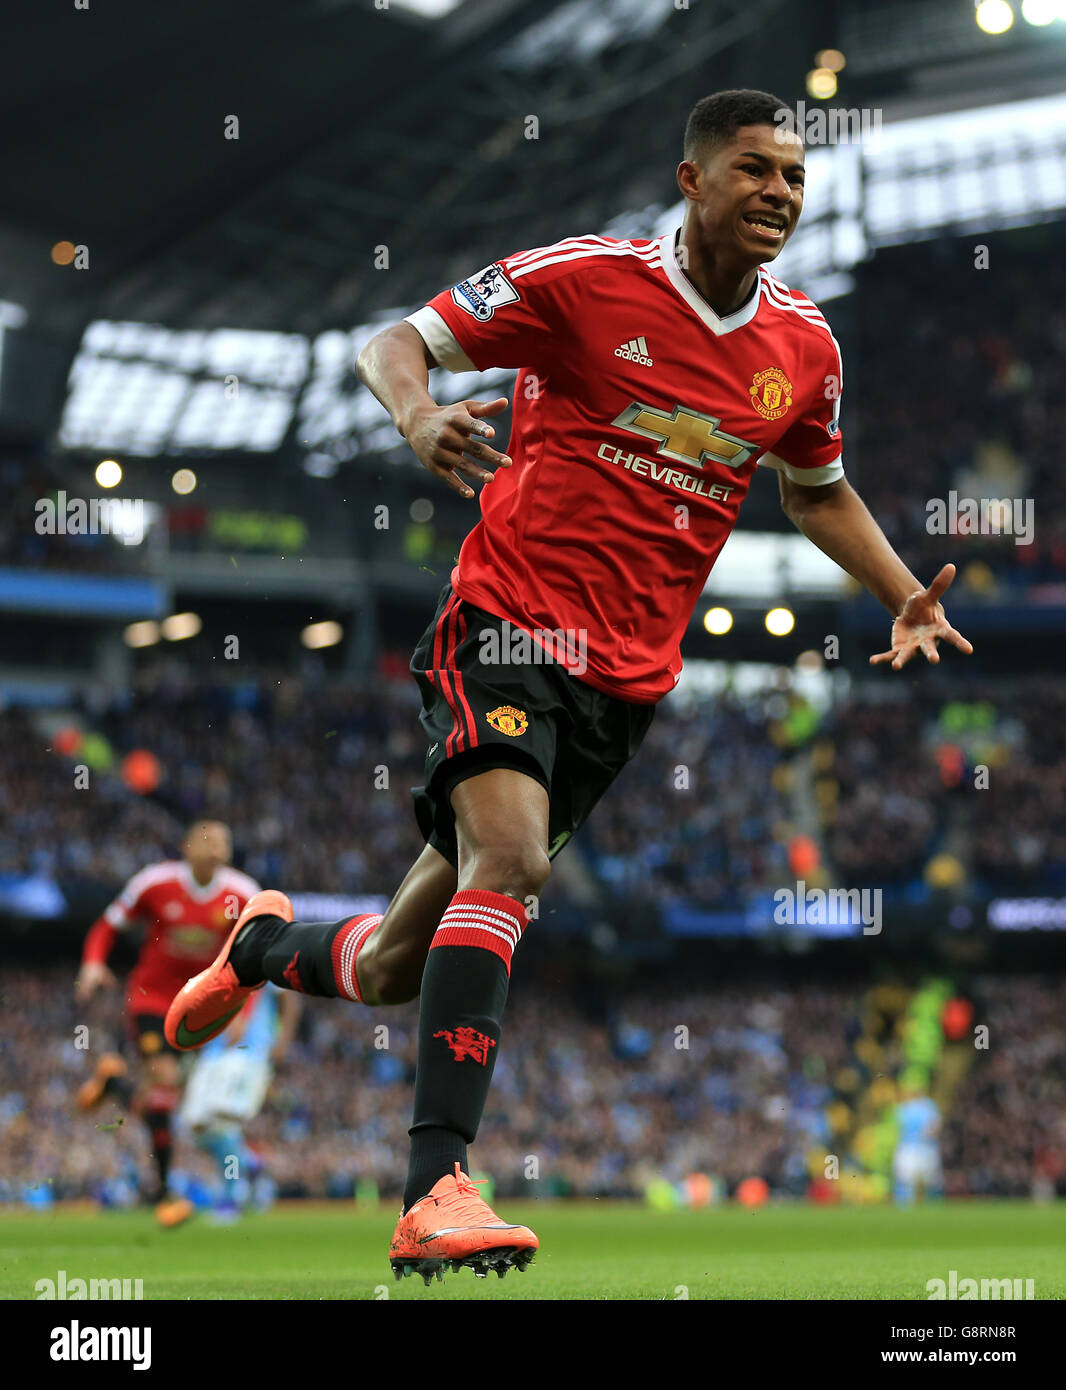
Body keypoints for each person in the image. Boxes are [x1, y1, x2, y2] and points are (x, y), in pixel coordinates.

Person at [165, 89, 972, 1284]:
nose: (780, 195)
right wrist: (417, 414)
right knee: (513, 860)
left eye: (795, 178)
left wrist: (903, 588)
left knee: (391, 965)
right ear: (691, 181)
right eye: (754, 169)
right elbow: (393, 340)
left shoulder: (804, 347)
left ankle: (265, 943)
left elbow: (812, 489)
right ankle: (434, 1183)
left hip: (627, 682)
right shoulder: (581, 280)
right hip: (505, 620)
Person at [75, 819, 259, 1226]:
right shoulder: (155, 883)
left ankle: (115, 1085)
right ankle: (164, 1193)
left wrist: (243, 1011)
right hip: (152, 1000)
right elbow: (107, 925)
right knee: (164, 1080)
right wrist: (92, 964)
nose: (217, 847)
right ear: (187, 846)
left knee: (165, 1098)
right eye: (208, 839)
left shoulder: (243, 894)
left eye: (225, 840)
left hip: (203, 1006)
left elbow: (255, 955)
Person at [179, 983, 302, 1220]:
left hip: (247, 1052)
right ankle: (251, 1163)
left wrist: (284, 1039)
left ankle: (231, 1198)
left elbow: (290, 999)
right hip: (211, 1053)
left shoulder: (263, 954)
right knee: (193, 1127)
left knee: (223, 1122)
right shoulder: (216, 956)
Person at [893, 1078, 943, 1204]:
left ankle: (933, 1208)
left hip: (925, 1147)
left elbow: (935, 1127)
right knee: (905, 1179)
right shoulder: (903, 1107)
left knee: (931, 1180)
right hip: (909, 1147)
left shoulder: (928, 1106)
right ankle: (904, 1208)